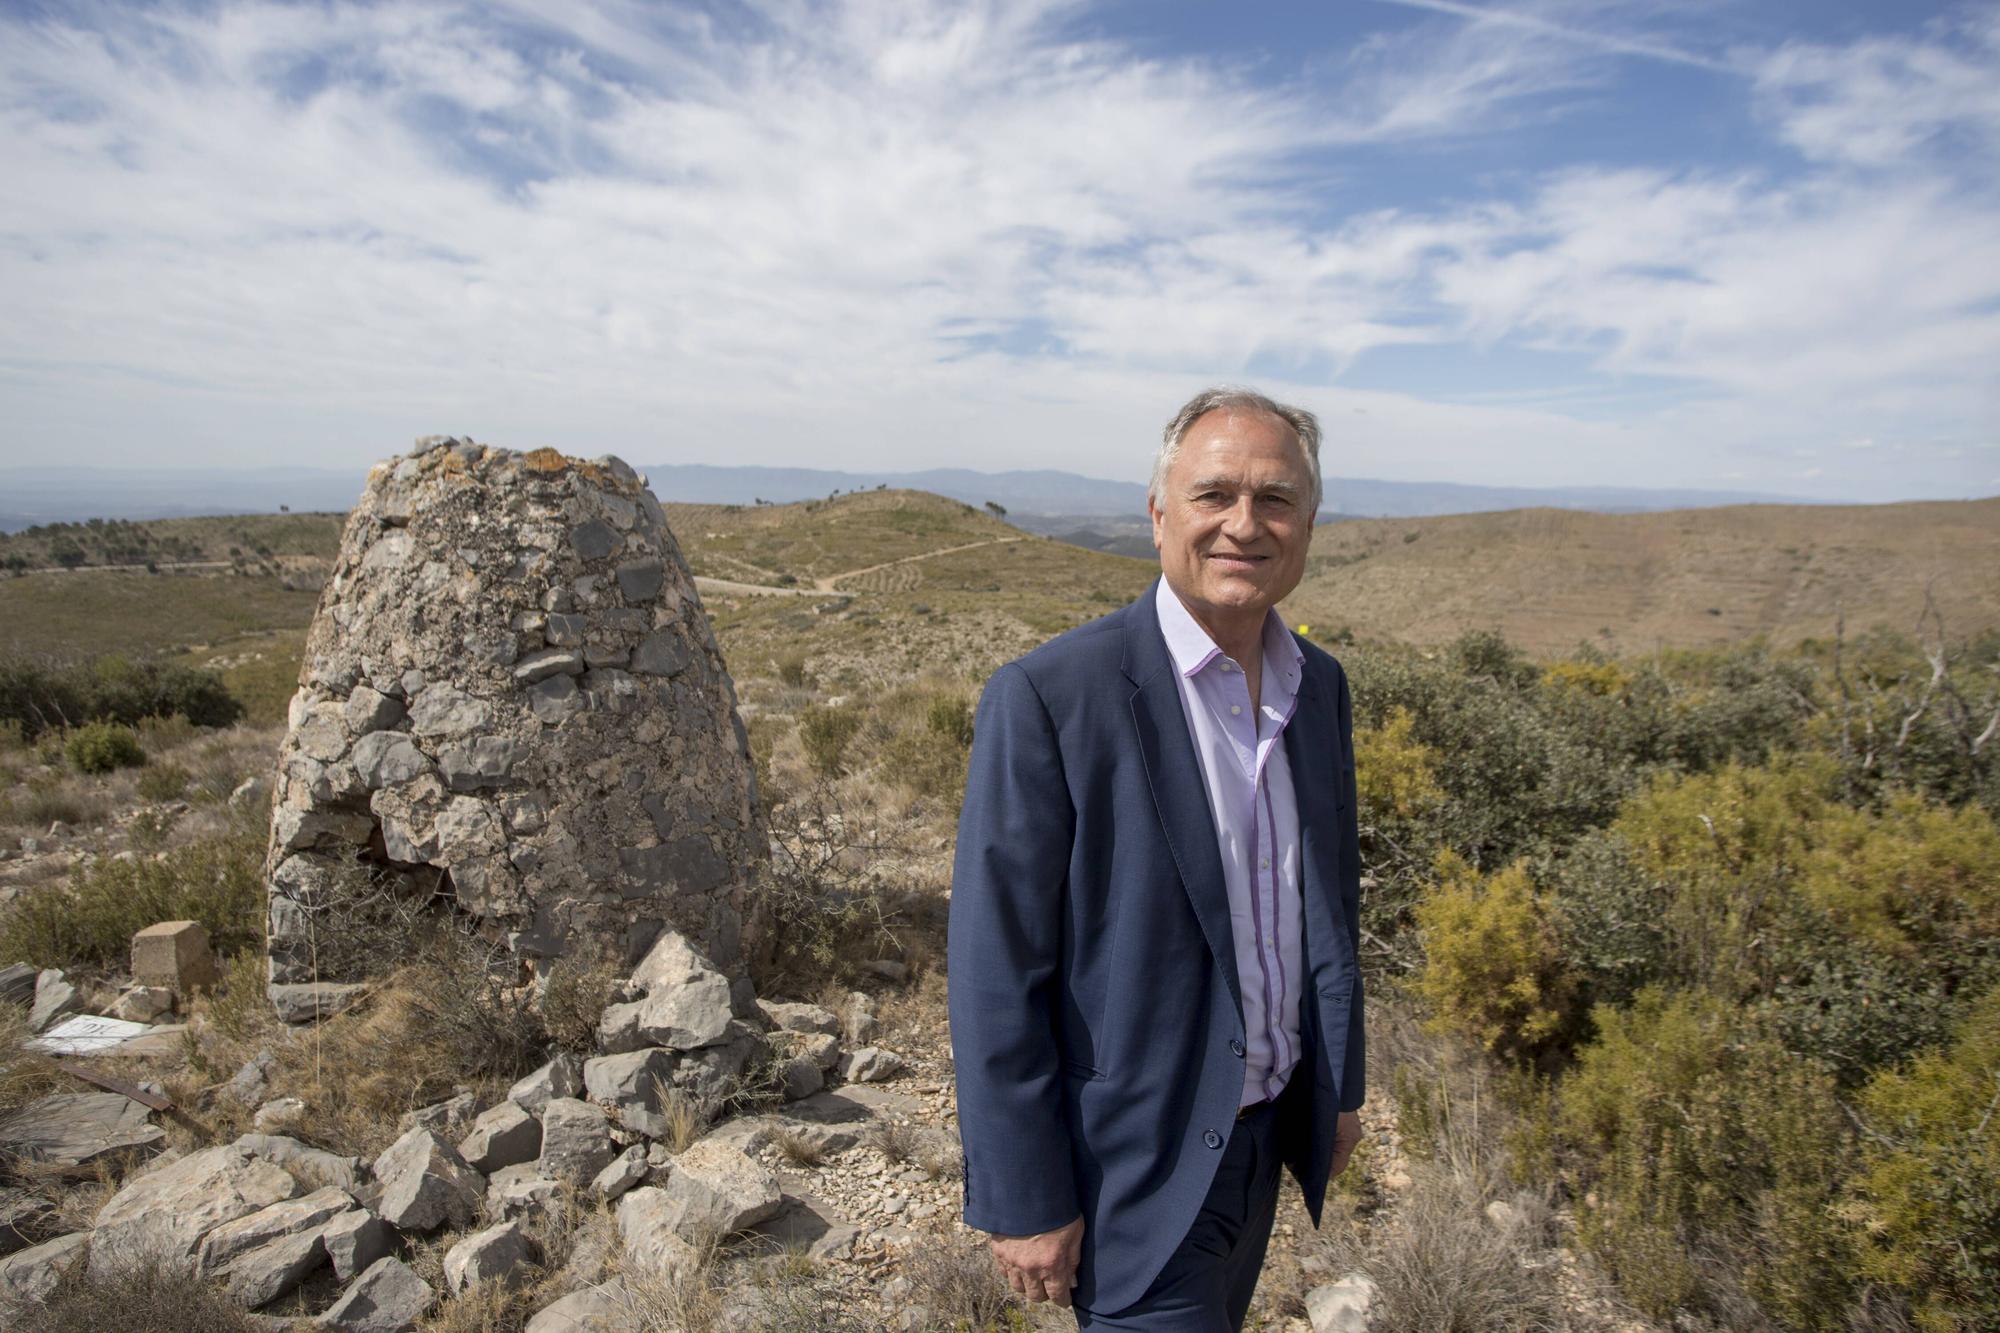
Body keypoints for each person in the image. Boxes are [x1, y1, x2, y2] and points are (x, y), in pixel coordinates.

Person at [947, 386, 1366, 1330]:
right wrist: (1024, 1194)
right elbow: (994, 966)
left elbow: (1329, 908)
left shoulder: (1320, 687)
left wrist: (1340, 1087)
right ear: (1158, 513)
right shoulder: (1051, 697)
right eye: (1214, 494)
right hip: (1134, 1167)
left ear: (1309, 521)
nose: (1243, 525)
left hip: (1266, 1143)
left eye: (1276, 500)